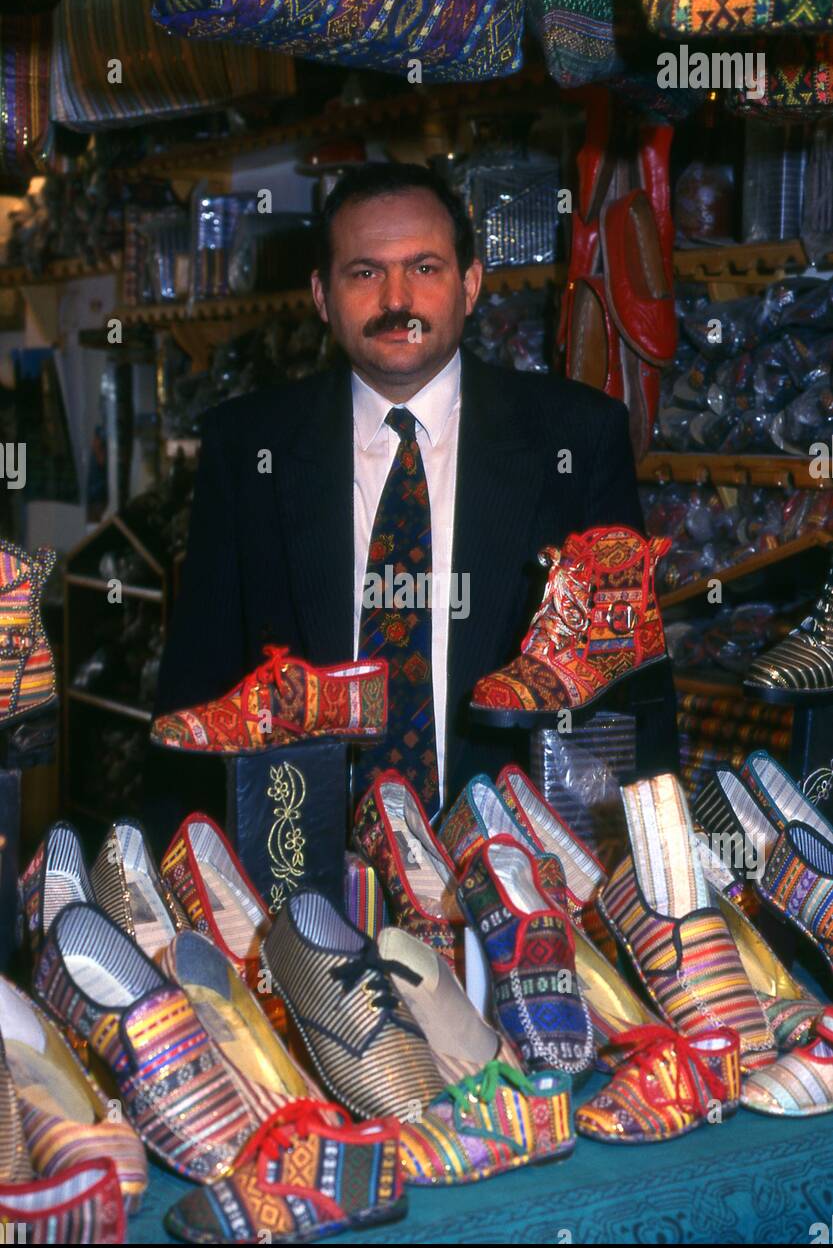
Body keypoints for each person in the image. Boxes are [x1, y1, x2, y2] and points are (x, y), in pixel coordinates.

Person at [150, 162, 676, 839]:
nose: (396, 299)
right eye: (364, 273)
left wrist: (652, 859)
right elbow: (199, 681)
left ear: (470, 284)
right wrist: (179, 870)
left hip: (520, 858)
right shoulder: (248, 446)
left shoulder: (572, 436)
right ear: (321, 295)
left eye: (424, 268)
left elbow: (629, 674)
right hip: (304, 862)